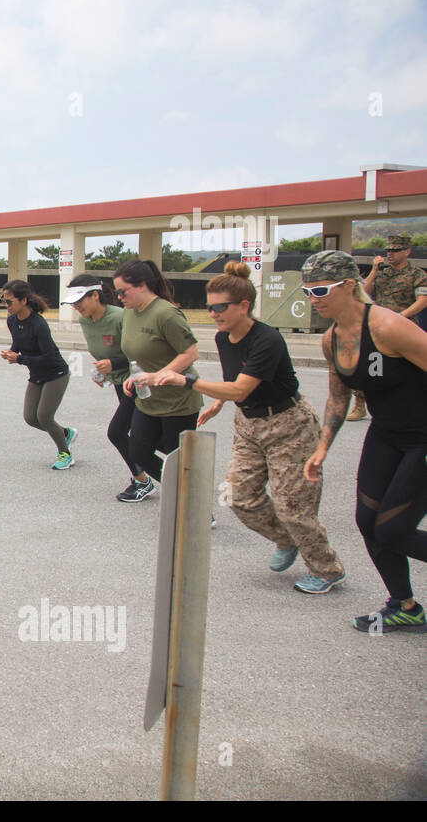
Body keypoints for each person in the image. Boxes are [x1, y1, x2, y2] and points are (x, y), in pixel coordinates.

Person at [151, 262, 345, 594]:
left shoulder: (267, 340)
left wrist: (189, 381)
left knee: (293, 507)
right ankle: (286, 539)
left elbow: (241, 387)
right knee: (238, 497)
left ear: (243, 306)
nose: (213, 313)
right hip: (249, 423)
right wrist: (219, 401)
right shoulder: (224, 337)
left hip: (288, 424)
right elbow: (234, 382)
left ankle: (327, 569)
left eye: (220, 307)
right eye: (209, 307)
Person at [301, 251, 427, 633]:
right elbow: (338, 398)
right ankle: (404, 605)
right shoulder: (331, 339)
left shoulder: (389, 327)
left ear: (350, 285)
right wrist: (322, 448)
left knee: (393, 529)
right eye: (307, 291)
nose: (313, 298)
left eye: (321, 289)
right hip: (385, 435)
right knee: (367, 521)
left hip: (423, 436)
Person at [114, 259, 202, 497]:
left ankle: (192, 505)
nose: (120, 297)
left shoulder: (166, 313)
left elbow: (190, 352)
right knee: (138, 451)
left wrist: (160, 375)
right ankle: (182, 494)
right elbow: (139, 354)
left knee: (178, 460)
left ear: (142, 285)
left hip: (177, 401)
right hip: (148, 398)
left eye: (123, 291)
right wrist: (132, 377)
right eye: (117, 292)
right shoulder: (129, 313)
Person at [64, 274, 153, 496]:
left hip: (138, 381)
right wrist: (102, 371)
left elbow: (140, 354)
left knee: (118, 432)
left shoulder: (122, 317)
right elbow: (103, 351)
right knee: (142, 436)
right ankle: (151, 477)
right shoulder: (85, 321)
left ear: (95, 295)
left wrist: (113, 363)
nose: (76, 307)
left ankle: (146, 479)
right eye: (72, 303)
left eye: (79, 301)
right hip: (119, 383)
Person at [347, 234, 427, 420]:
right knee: (364, 364)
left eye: (395, 250)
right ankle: (359, 405)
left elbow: (423, 300)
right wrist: (374, 271)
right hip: (377, 328)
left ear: (407, 252)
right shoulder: (382, 273)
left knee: (404, 369)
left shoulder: (417, 275)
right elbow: (363, 293)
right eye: (388, 250)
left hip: (404, 328)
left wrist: (400, 316)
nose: (390, 254)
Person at [0, 279, 76, 469]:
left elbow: (49, 358)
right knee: (30, 418)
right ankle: (64, 433)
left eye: (9, 302)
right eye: (4, 301)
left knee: (44, 417)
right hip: (37, 375)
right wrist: (11, 353)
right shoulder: (12, 321)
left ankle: (65, 453)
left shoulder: (39, 325)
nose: (6, 305)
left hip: (56, 373)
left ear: (23, 300)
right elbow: (19, 344)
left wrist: (20, 359)